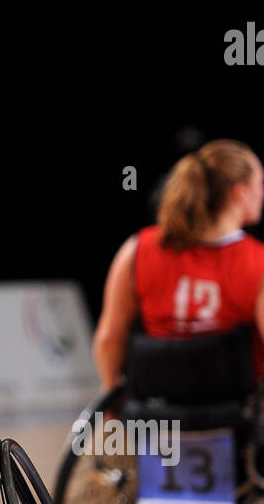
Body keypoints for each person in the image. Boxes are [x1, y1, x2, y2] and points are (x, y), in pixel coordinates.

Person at [93, 139, 264, 391]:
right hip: (236, 419)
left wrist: (112, 400)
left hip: (158, 419)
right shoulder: (257, 261)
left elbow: (108, 340)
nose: (262, 192)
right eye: (260, 183)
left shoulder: (137, 250)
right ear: (239, 192)